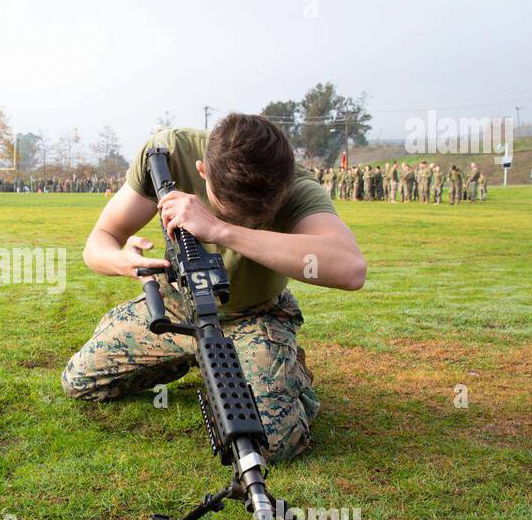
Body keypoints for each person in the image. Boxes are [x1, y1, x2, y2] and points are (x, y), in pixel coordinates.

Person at [61, 115, 366, 461]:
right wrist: (124, 262)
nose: (248, 219)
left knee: (274, 443)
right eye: (232, 210)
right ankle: (189, 358)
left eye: (257, 214)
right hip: (176, 307)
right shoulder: (167, 153)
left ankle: (284, 370)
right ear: (202, 170)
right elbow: (98, 243)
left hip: (252, 316)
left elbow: (351, 269)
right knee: (80, 381)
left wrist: (220, 228)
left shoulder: (294, 183)